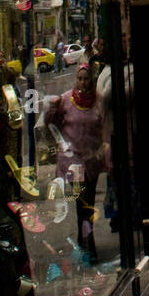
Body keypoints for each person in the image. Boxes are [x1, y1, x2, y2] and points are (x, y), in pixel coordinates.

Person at [45, 62, 111, 258]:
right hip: (73, 160)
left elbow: (104, 126)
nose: (82, 83)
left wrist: (103, 150)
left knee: (88, 199)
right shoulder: (65, 100)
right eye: (79, 79)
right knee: (82, 201)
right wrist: (51, 108)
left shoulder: (99, 100)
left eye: (86, 79)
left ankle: (86, 238)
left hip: (91, 159)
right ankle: (87, 242)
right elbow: (50, 123)